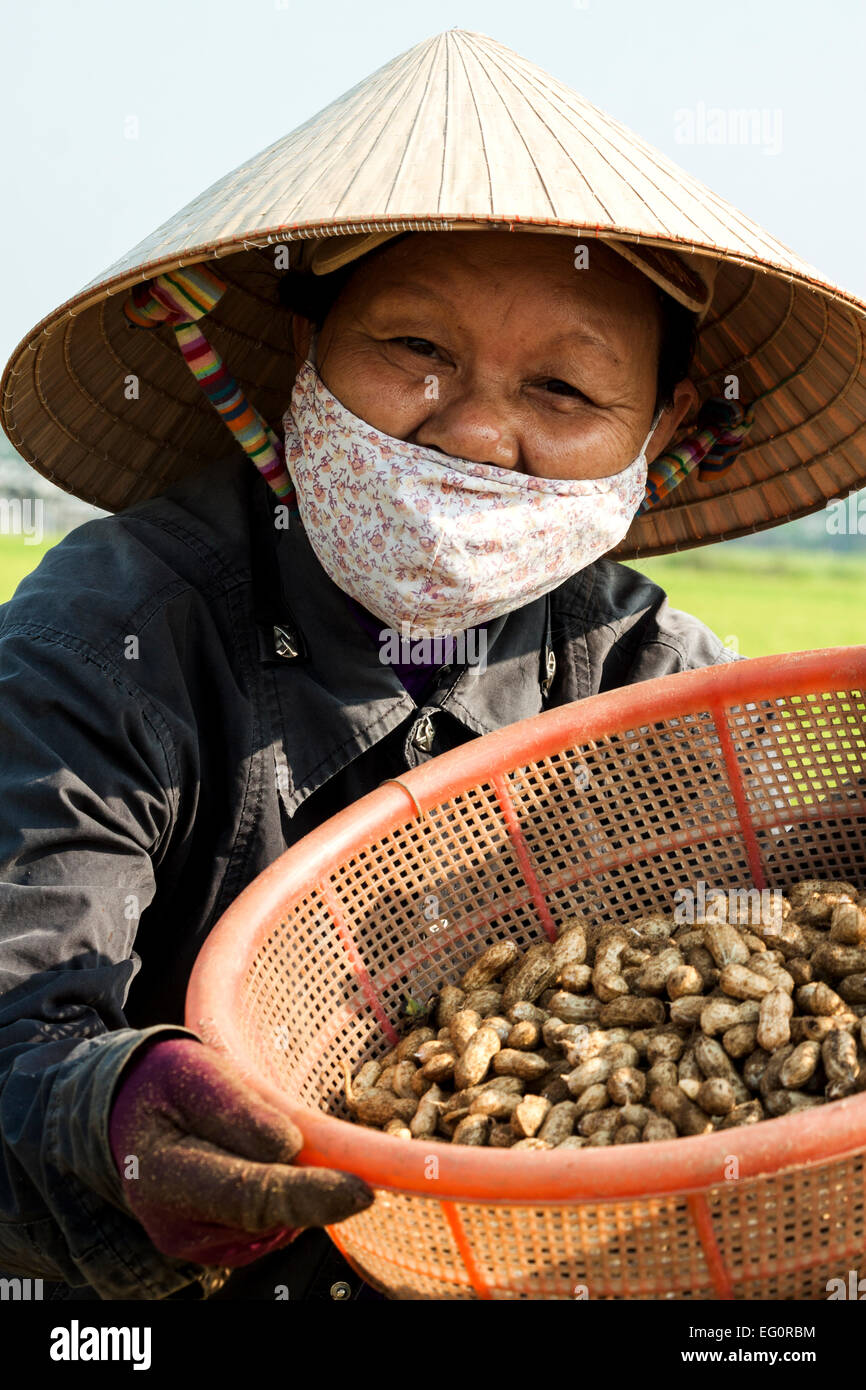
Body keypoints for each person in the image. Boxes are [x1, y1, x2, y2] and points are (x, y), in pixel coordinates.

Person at [1, 29, 863, 1302]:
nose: (471, 433)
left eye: (563, 388)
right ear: (306, 354)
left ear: (661, 429)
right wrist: (111, 1112)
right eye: (413, 351)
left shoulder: (655, 682)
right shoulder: (116, 632)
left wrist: (814, 869)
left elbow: (745, 952)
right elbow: (21, 1031)